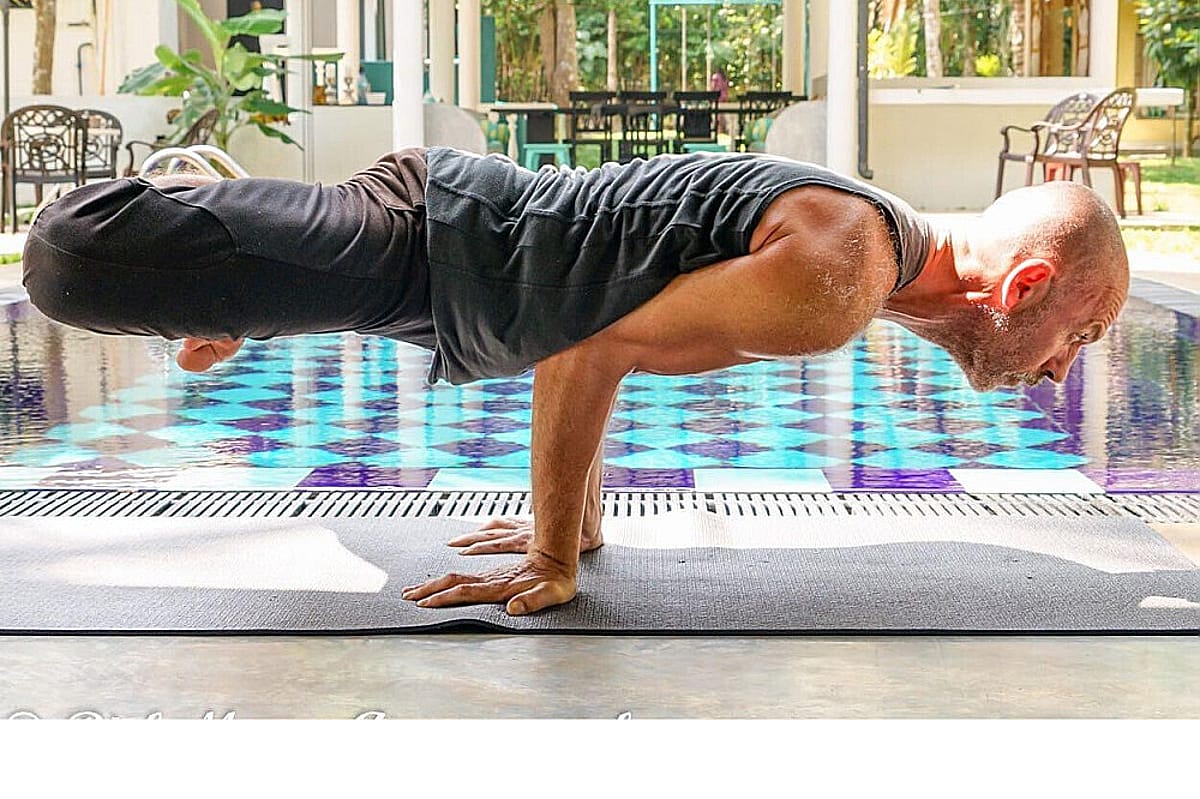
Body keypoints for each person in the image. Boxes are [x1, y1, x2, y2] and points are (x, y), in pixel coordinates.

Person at [20, 146, 1129, 616]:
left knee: (235, 287)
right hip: (442, 240)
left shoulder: (860, 254)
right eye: (1081, 334)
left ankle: (229, 299)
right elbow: (588, 346)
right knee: (69, 258)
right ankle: (196, 221)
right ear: (1024, 282)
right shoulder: (843, 274)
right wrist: (554, 550)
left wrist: (582, 521)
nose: (1064, 370)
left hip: (451, 281)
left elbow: (613, 317)